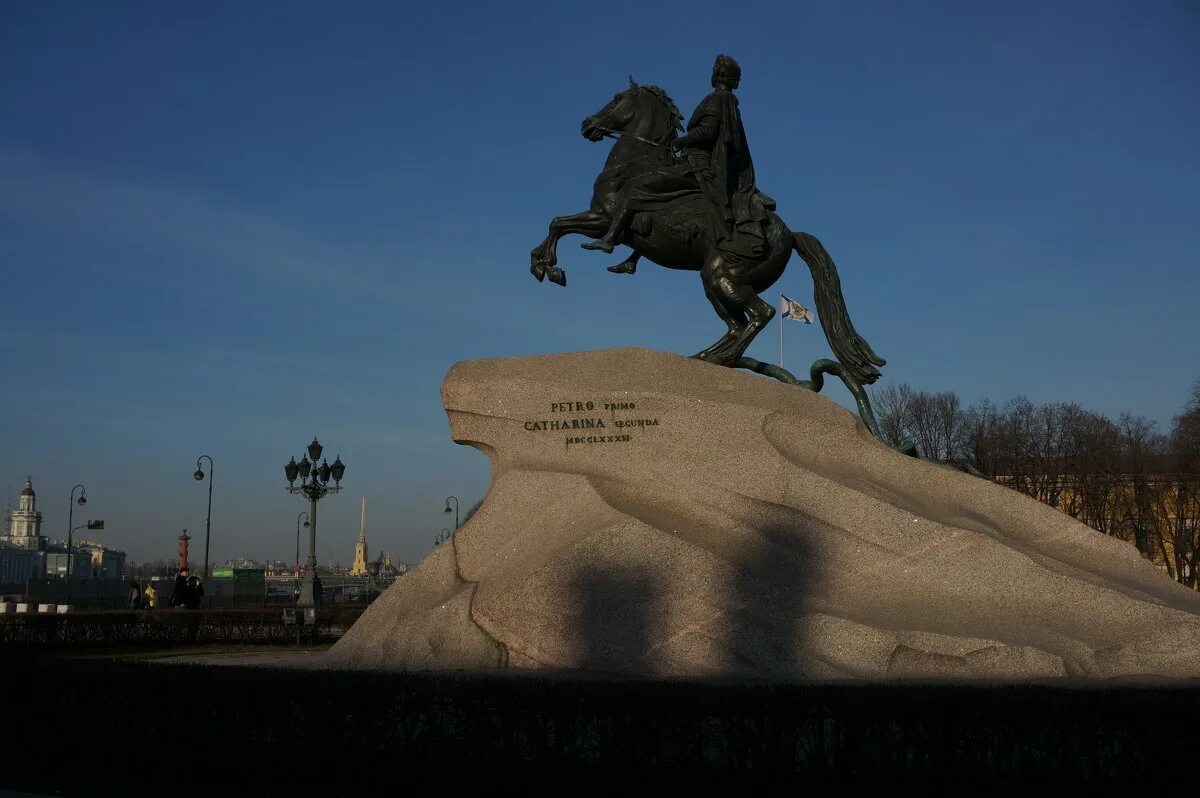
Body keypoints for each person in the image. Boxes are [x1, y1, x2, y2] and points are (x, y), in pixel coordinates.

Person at [582, 54, 771, 259]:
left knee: (636, 186)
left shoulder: (716, 99)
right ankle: (633, 259)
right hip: (702, 163)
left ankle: (610, 239)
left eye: (715, 71)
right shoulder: (728, 102)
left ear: (718, 75)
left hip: (700, 167)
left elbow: (708, 132)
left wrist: (681, 141)